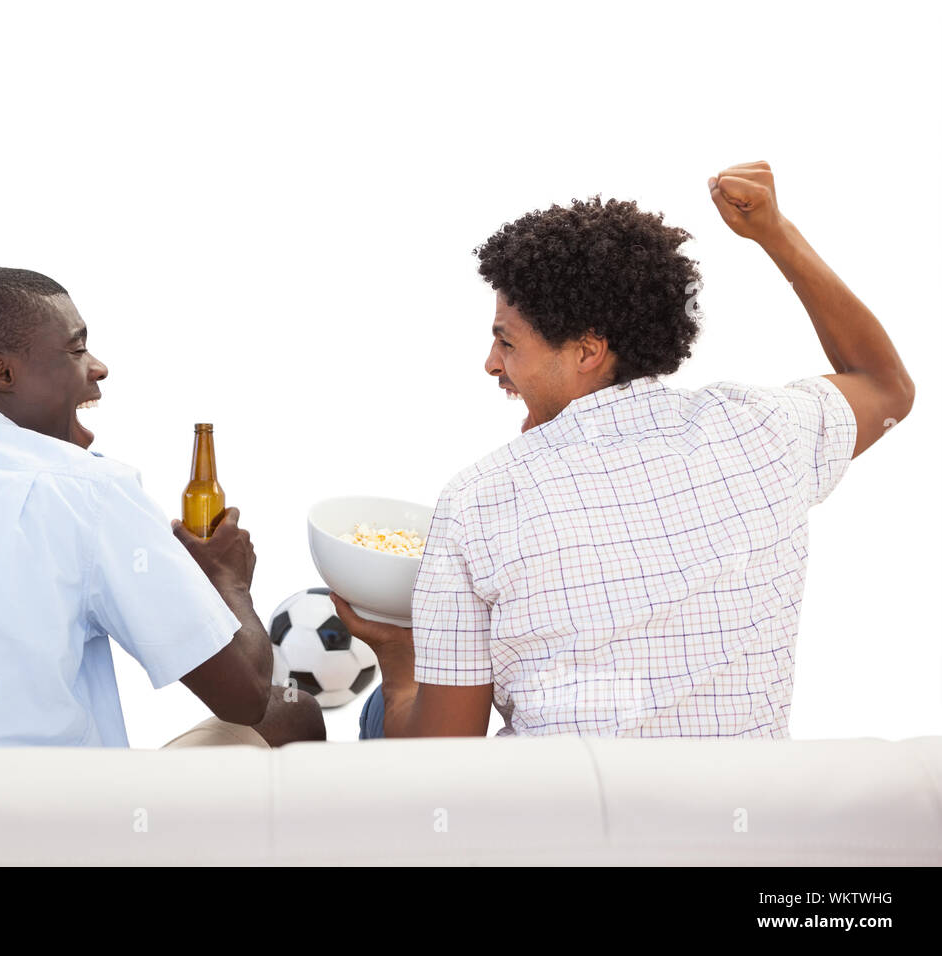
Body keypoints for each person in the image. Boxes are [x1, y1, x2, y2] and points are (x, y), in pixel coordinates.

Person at [341, 161, 914, 740]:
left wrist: (397, 661)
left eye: (506, 340)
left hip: (566, 825)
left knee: (379, 715)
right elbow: (884, 384)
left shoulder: (477, 501)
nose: (491, 363)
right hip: (749, 814)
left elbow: (442, 758)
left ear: (589, 351)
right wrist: (775, 232)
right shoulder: (761, 428)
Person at [0, 267, 324, 750]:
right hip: (47, 836)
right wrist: (228, 581)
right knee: (294, 714)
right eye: (76, 351)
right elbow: (245, 697)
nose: (99, 367)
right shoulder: (87, 490)